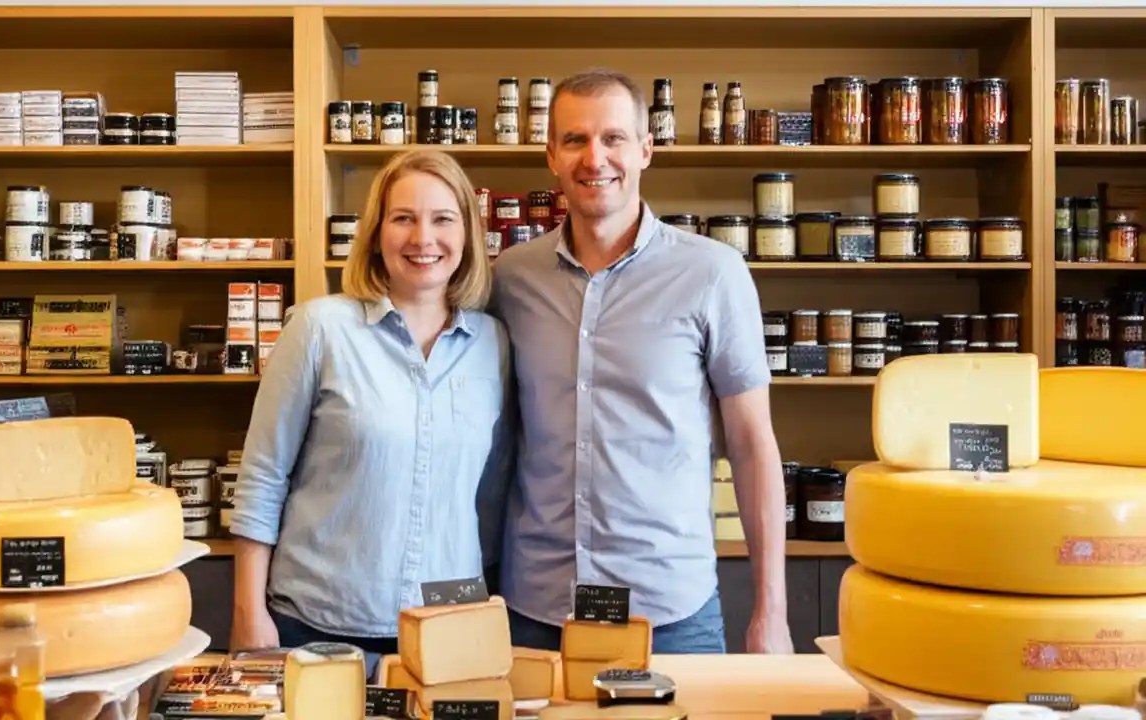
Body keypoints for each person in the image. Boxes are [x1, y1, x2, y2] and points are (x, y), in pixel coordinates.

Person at [489, 68, 793, 654]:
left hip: (670, 612)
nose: (594, 158)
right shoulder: (511, 279)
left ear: (646, 149)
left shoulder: (712, 274)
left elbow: (753, 446)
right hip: (534, 611)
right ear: (551, 155)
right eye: (574, 140)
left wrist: (771, 613)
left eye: (613, 138)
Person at [228, 149, 513, 676]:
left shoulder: (493, 343)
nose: (423, 238)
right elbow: (263, 475)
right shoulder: (319, 328)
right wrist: (248, 613)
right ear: (376, 233)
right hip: (318, 626)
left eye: (442, 219)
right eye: (403, 218)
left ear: (468, 234)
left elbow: (491, 492)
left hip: (449, 627)